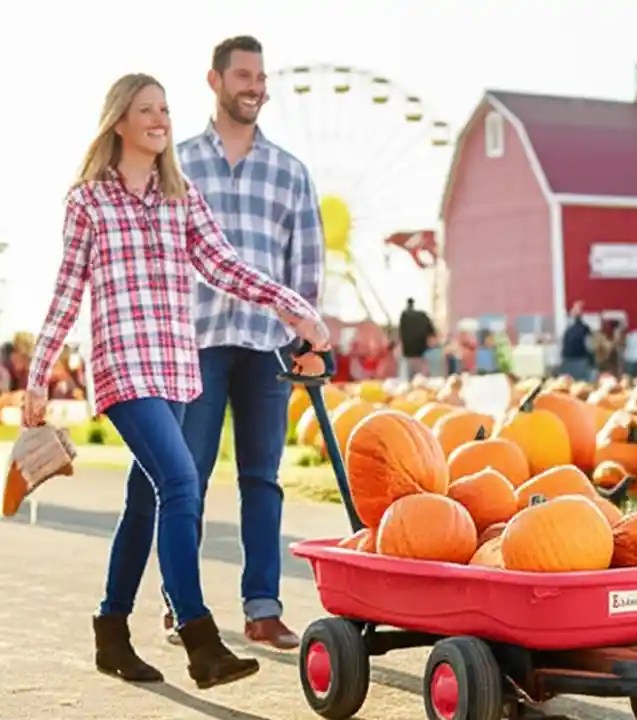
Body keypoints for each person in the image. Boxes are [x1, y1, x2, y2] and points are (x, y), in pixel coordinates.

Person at [22, 73, 329, 688]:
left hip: (176, 367)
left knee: (145, 501)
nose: (161, 119)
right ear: (120, 123)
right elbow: (67, 290)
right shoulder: (88, 202)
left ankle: (110, 631)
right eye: (147, 110)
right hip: (121, 366)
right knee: (183, 484)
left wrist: (288, 304)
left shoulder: (180, 195)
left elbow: (223, 264)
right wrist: (38, 374)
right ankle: (199, 637)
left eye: (164, 108)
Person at [166, 35, 325, 650]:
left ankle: (263, 608)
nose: (255, 85)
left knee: (262, 477)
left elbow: (305, 266)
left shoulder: (290, 172)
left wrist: (306, 336)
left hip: (268, 347)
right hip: (195, 342)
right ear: (215, 81)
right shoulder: (176, 167)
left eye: (261, 75)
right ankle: (184, 607)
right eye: (243, 75)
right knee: (187, 478)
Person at [398, 298, 435, 380]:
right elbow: (432, 337)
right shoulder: (423, 316)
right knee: (422, 383)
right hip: (421, 355)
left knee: (407, 383)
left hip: (407, 355)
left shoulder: (404, 316)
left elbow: (400, 335)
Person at [559, 302, 593, 380]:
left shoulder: (567, 330)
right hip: (580, 361)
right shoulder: (585, 329)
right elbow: (590, 347)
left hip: (568, 362)